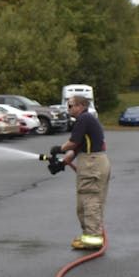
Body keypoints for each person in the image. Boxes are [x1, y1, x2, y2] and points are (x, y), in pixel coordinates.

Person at [55, 94, 110, 250]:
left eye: (70, 106)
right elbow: (79, 147)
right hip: (90, 161)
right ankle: (88, 235)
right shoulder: (86, 119)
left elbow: (73, 143)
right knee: (83, 203)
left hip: (92, 163)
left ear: (80, 106)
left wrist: (59, 149)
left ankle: (93, 238)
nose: (68, 109)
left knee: (90, 201)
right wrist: (63, 162)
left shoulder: (84, 119)